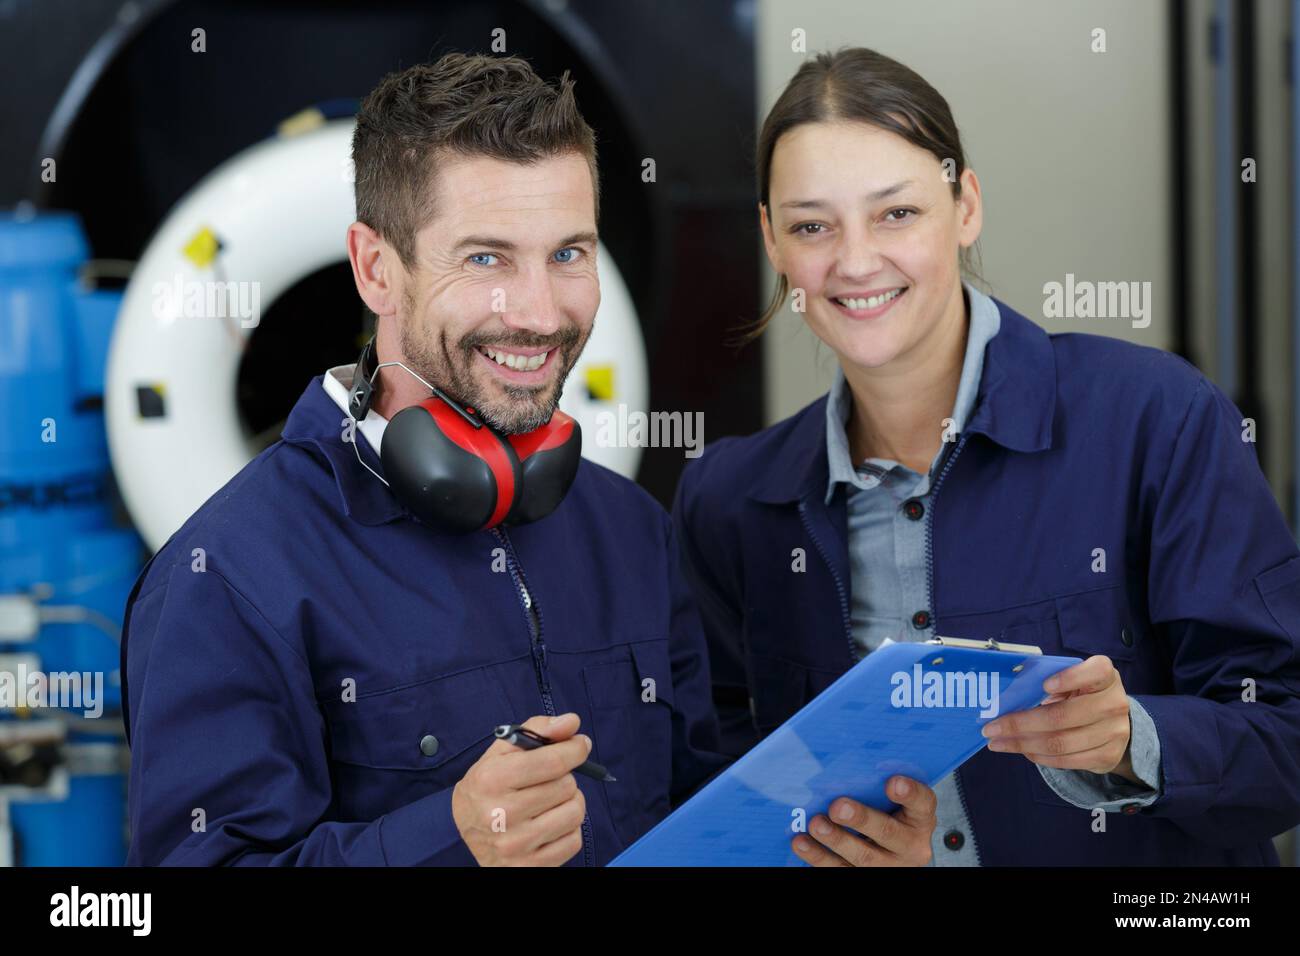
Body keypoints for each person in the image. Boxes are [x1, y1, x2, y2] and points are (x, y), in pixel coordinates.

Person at [673, 47, 1300, 866]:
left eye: (896, 213)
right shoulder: (729, 501)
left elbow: (1285, 735)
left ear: (964, 205)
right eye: (812, 225)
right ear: (772, 241)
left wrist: (1132, 740)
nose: (855, 261)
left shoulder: (1156, 419)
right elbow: (722, 795)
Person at [121, 53, 726, 866]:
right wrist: (451, 841)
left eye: (568, 254)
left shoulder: (631, 532)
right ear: (376, 268)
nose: (541, 312)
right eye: (485, 258)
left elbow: (705, 823)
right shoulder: (226, 574)